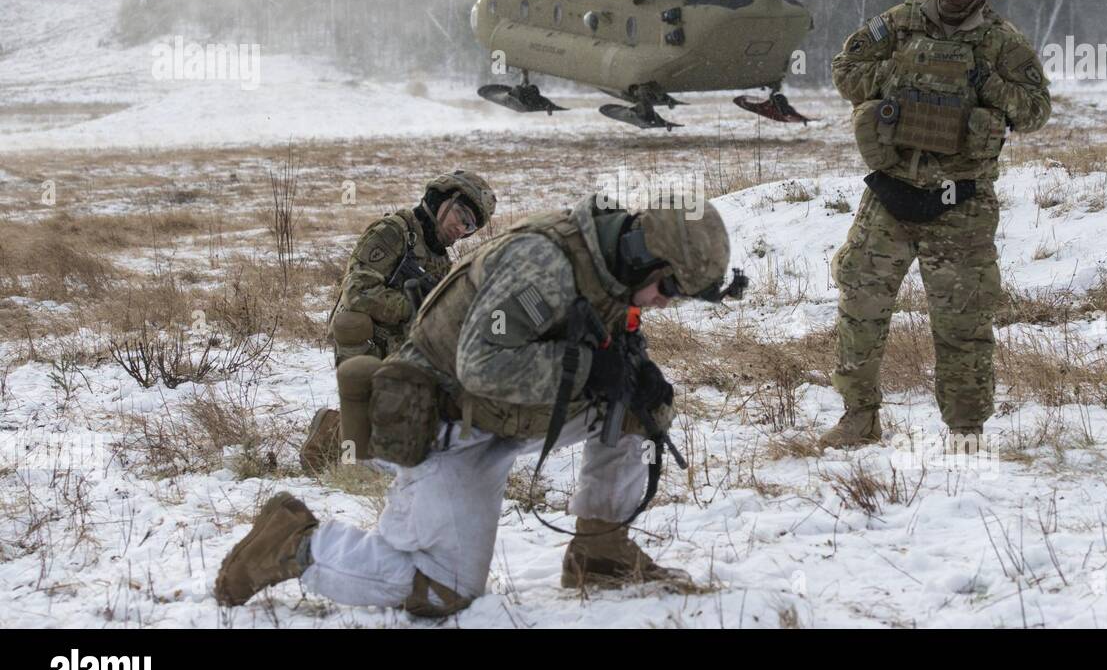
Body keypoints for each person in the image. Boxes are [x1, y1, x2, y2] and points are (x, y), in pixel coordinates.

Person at [216, 193, 741, 616]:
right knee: (441, 591)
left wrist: (636, 372)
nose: (667, 300)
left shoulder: (615, 267)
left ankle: (599, 553)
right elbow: (482, 366)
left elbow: (607, 337)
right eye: (668, 285)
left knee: (638, 412)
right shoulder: (545, 263)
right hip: (452, 426)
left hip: (512, 415)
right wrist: (584, 370)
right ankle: (293, 542)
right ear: (641, 253)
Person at [822, 0, 1051, 450]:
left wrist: (984, 85)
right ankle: (859, 416)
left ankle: (966, 429)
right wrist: (895, 74)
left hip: (959, 202)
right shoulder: (899, 23)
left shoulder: (1000, 42)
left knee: (962, 319)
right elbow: (845, 71)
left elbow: (1035, 109)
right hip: (892, 190)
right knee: (861, 299)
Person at [299, 171, 497, 471]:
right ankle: (329, 432)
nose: (461, 228)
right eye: (460, 215)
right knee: (375, 438)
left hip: (402, 343)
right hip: (366, 338)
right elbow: (358, 291)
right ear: (442, 199)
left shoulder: (440, 260)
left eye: (470, 226)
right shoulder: (394, 232)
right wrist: (414, 307)